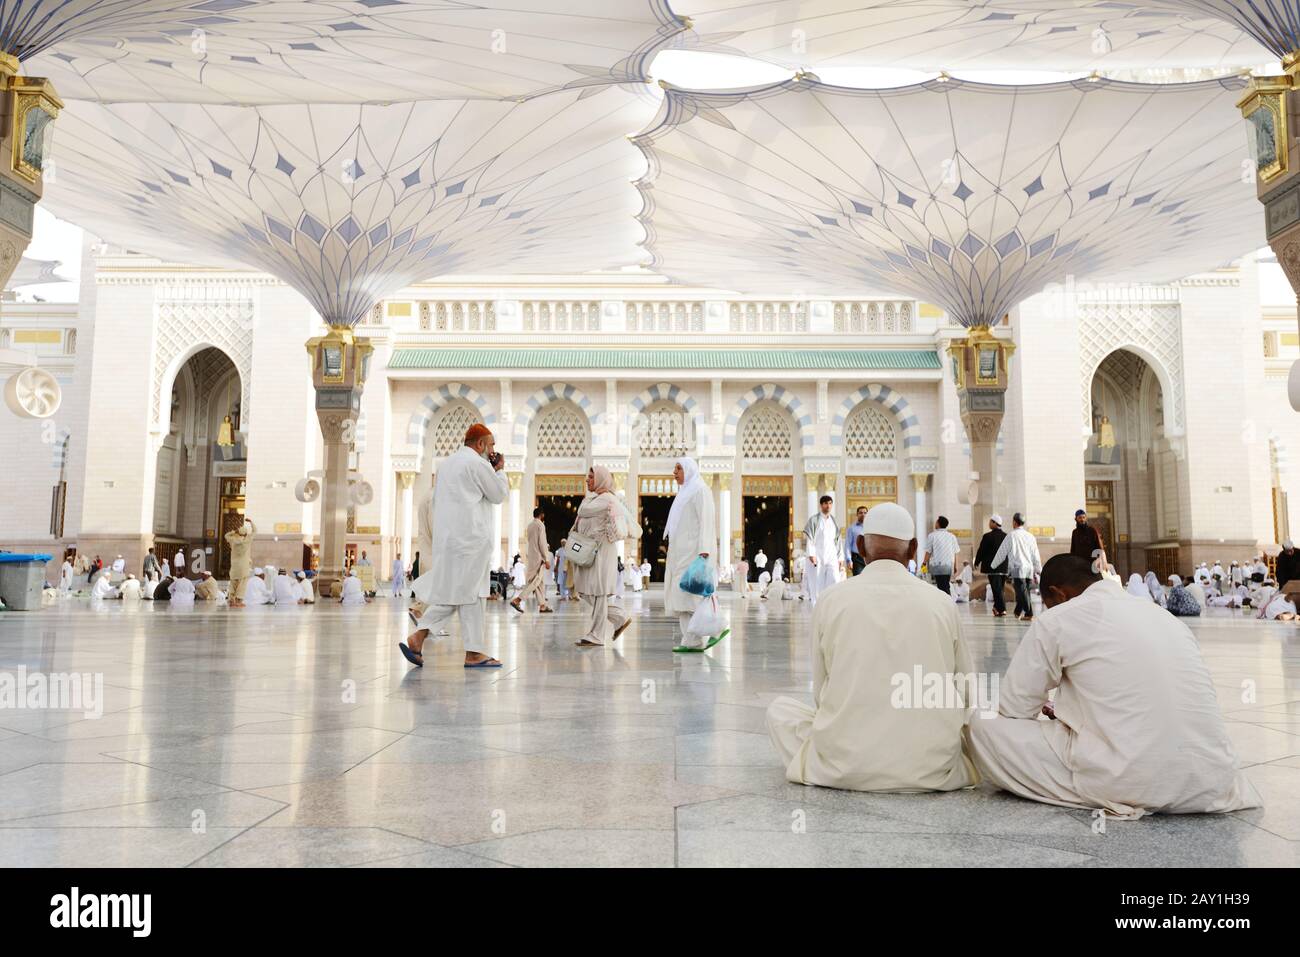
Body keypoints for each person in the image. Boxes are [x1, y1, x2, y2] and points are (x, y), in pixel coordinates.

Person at [968, 554, 1262, 819]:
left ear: (1059, 594)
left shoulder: (1058, 618)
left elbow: (1015, 709)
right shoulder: (1166, 618)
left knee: (982, 726)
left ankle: (1117, 793)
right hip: (1213, 782)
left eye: (1048, 603)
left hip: (1128, 777)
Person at [766, 502, 978, 792]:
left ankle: (849, 760)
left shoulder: (831, 599)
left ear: (862, 546)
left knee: (780, 711)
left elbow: (821, 692)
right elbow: (965, 691)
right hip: (930, 768)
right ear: (914, 548)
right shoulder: (942, 603)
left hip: (847, 765)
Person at [401, 423, 509, 669]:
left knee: (465, 593)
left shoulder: (447, 464)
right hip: (471, 541)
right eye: (491, 445)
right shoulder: (478, 464)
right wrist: (500, 470)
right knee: (464, 593)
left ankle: (471, 651)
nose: (493, 450)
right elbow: (498, 494)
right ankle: (423, 637)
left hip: (450, 541)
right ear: (480, 444)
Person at [664, 455, 725, 651]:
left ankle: (708, 633)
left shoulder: (700, 491)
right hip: (680, 554)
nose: (675, 473)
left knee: (691, 597)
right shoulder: (684, 493)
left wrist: (704, 550)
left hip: (693, 553)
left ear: (689, 470)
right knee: (683, 599)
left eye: (678, 468)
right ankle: (695, 639)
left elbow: (706, 521)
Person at [571, 467, 632, 647]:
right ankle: (620, 617)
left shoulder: (606, 499)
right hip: (593, 551)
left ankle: (597, 635)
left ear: (600, 480)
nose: (587, 481)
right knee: (588, 591)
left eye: (591, 477)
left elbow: (582, 510)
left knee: (597, 592)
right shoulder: (596, 498)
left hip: (602, 552)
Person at [991, 513, 1042, 621]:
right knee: (1024, 591)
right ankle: (1017, 611)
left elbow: (1002, 552)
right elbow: (1035, 553)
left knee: (1022, 591)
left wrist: (993, 565)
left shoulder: (1011, 535)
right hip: (1029, 568)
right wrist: (1038, 568)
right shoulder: (1030, 536)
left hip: (1018, 567)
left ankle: (1029, 614)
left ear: (1014, 522)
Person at [512, 507, 553, 614]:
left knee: (539, 582)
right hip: (539, 557)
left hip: (531, 556)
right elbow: (542, 543)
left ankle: (542, 605)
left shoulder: (530, 526)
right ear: (542, 515)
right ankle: (518, 600)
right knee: (535, 582)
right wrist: (546, 558)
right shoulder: (540, 525)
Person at [803, 495, 842, 604]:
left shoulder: (834, 521)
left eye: (830, 503)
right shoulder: (814, 520)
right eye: (825, 503)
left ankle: (831, 606)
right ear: (821, 505)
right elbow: (810, 538)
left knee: (834, 580)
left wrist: (840, 558)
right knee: (817, 583)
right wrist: (811, 554)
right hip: (817, 556)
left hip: (832, 556)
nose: (828, 506)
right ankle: (817, 608)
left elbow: (838, 541)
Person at [974, 514, 1009, 617]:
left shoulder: (987, 536)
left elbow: (981, 551)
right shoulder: (1006, 536)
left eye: (990, 521)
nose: (989, 523)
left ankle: (1002, 609)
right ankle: (997, 608)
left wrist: (977, 561)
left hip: (992, 567)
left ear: (994, 523)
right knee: (1000, 589)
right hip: (1003, 567)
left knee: (996, 589)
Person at [225, 520, 255, 607]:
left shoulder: (232, 540)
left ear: (238, 533)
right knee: (242, 584)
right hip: (243, 567)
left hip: (234, 567)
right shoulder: (247, 540)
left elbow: (226, 535)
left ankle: (231, 600)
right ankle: (238, 601)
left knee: (233, 583)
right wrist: (251, 522)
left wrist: (234, 532)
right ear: (245, 534)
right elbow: (255, 531)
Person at [845, 505, 868, 576]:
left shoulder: (872, 527)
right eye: (860, 513)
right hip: (857, 559)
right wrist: (848, 560)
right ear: (857, 514)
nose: (863, 514)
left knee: (869, 581)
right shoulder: (851, 528)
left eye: (865, 513)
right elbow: (847, 545)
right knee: (858, 581)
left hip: (869, 558)